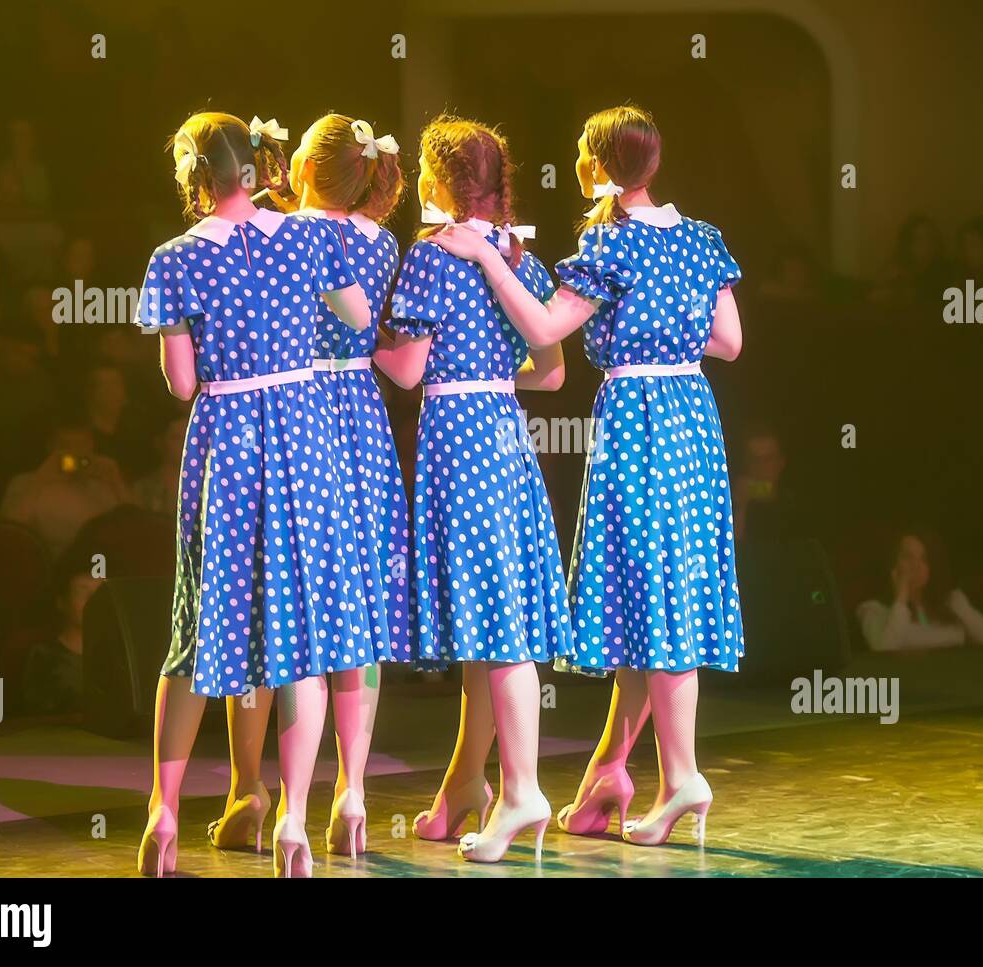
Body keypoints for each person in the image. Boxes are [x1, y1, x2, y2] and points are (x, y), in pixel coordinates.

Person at [432, 105, 743, 848]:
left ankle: (682, 775)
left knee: (654, 595)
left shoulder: (608, 243)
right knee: (663, 592)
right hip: (692, 413)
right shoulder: (701, 239)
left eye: (581, 153)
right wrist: (670, 318)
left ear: (600, 168)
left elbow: (542, 332)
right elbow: (729, 342)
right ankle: (620, 770)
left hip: (638, 415)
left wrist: (487, 261)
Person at [132, 111, 372, 877]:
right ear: (255, 167)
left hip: (228, 435)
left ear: (197, 180)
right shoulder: (304, 236)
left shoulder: (173, 259)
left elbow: (180, 384)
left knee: (199, 619)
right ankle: (296, 821)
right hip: (304, 432)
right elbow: (360, 319)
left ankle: (163, 813)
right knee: (301, 628)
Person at [204, 113, 415, 861]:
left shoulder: (284, 233)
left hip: (292, 422)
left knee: (274, 615)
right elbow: (387, 341)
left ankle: (251, 792)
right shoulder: (382, 241)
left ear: (306, 168)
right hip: (363, 421)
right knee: (357, 625)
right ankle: (351, 792)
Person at [376, 115, 573, 863]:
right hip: (505, 429)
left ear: (435, 183)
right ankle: (466, 783)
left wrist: (350, 325)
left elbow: (406, 370)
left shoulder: (431, 256)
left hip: (459, 438)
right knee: (491, 625)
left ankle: (522, 788)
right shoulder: (520, 254)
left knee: (495, 626)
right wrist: (489, 370)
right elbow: (551, 373)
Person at [856, 530, 983, 652]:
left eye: (924, 559)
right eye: (907, 557)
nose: (915, 566)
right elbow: (883, 651)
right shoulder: (872, 609)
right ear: (894, 563)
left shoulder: (952, 601)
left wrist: (960, 609)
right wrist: (901, 598)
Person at [0, 422, 125, 557]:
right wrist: (39, 481)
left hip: (102, 565)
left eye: (83, 444)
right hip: (52, 568)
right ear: (51, 447)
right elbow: (9, 532)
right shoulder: (25, 482)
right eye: (66, 445)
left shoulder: (105, 485)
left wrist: (117, 483)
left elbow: (140, 529)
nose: (76, 452)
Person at [21, 562, 101, 715]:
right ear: (62, 602)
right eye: (82, 592)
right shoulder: (44, 657)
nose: (93, 602)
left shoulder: (121, 657)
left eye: (99, 593)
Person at [867, 214, 951, 305]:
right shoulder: (897, 268)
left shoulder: (944, 272)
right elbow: (873, 294)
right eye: (919, 239)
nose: (926, 245)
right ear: (908, 244)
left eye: (929, 238)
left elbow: (927, 297)